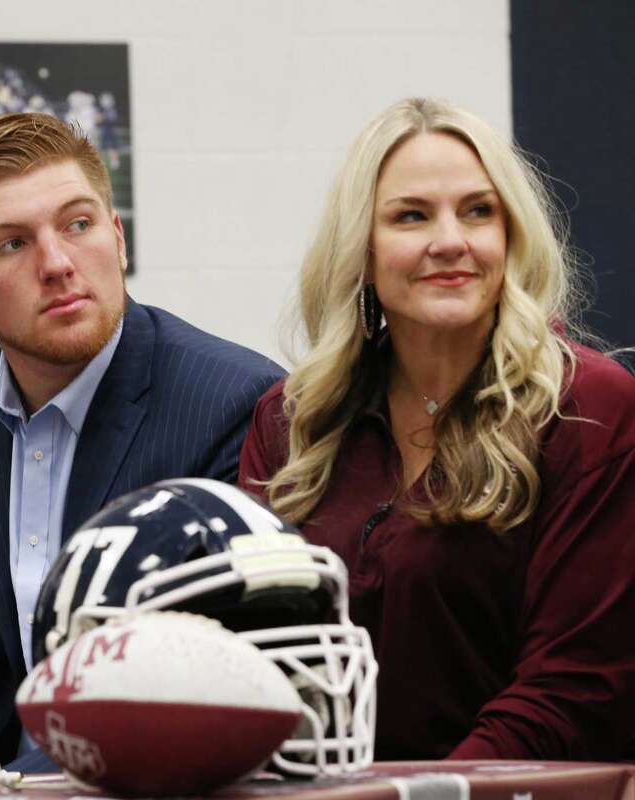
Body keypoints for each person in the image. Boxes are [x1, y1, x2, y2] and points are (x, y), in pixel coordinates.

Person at [0, 112, 284, 767]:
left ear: (118, 238)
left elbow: (241, 680)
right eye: (11, 244)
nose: (57, 263)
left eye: (78, 225)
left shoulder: (238, 404)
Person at [238, 97, 635, 761]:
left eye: (478, 211)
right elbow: (250, 657)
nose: (450, 240)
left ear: (512, 235)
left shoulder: (589, 410)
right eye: (411, 215)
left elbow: (574, 688)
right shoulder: (293, 420)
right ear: (362, 251)